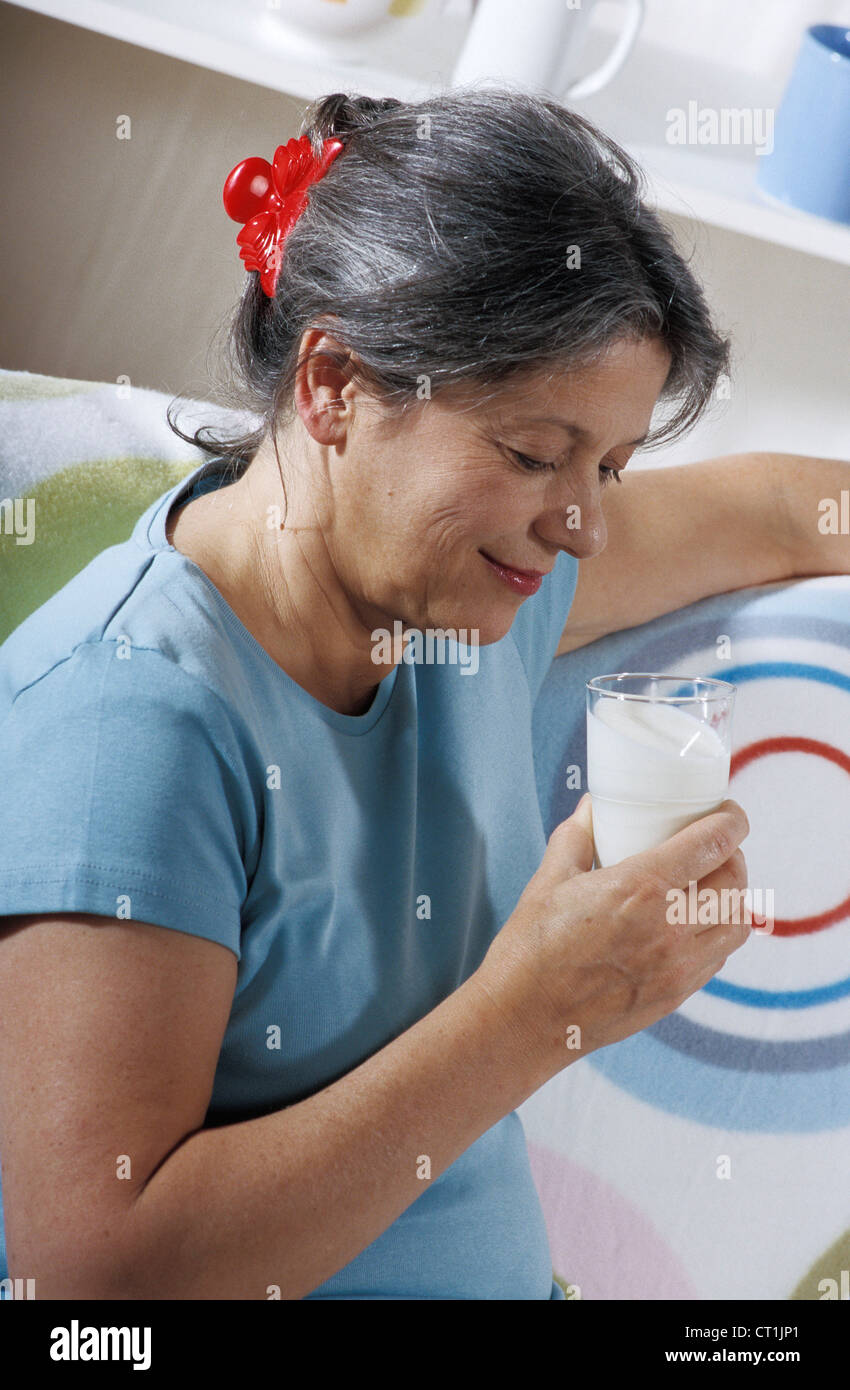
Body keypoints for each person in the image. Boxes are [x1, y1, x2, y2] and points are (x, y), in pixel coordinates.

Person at [1, 87, 772, 1301]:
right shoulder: (134, 723)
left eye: (610, 466)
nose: (581, 527)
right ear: (334, 384)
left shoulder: (472, 590)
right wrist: (535, 1012)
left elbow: (785, 510)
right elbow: (96, 1286)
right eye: (532, 454)